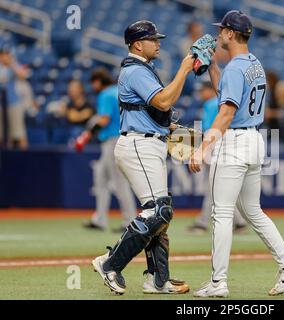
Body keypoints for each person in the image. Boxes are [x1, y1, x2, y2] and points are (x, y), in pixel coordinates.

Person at [188, 10, 284, 297]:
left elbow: (227, 112)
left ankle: (218, 283)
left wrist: (203, 148)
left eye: (221, 30)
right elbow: (228, 98)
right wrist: (214, 67)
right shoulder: (254, 64)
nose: (218, 35)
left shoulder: (236, 68)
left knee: (221, 213)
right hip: (255, 140)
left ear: (231, 33)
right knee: (253, 211)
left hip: (235, 142)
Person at [92, 20, 194, 295]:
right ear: (138, 44)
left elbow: (154, 112)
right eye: (153, 39)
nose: (158, 43)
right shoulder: (136, 70)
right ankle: (111, 264)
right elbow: (163, 101)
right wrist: (184, 70)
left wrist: (177, 131)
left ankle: (157, 279)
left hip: (148, 141)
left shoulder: (141, 69)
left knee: (160, 215)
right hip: (139, 145)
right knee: (158, 212)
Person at [186, 81, 247, 235]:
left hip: (214, 145)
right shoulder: (217, 103)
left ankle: (202, 223)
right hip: (221, 144)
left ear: (210, 90)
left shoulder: (212, 104)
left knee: (213, 186)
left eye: (203, 90)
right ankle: (239, 222)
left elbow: (211, 129)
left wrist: (203, 149)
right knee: (217, 186)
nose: (200, 94)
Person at [82, 68, 137, 232]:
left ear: (98, 81)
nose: (93, 86)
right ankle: (100, 219)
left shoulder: (105, 94)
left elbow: (104, 120)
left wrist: (88, 132)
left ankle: (130, 220)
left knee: (119, 182)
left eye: (93, 83)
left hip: (113, 140)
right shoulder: (117, 91)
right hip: (120, 137)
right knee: (101, 178)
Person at [0, 46, 29, 149]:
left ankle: (25, 160)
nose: (4, 57)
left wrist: (11, 63)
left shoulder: (12, 66)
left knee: (18, 134)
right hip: (1, 106)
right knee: (3, 136)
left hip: (14, 103)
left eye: (6, 54)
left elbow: (23, 75)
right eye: (2, 54)